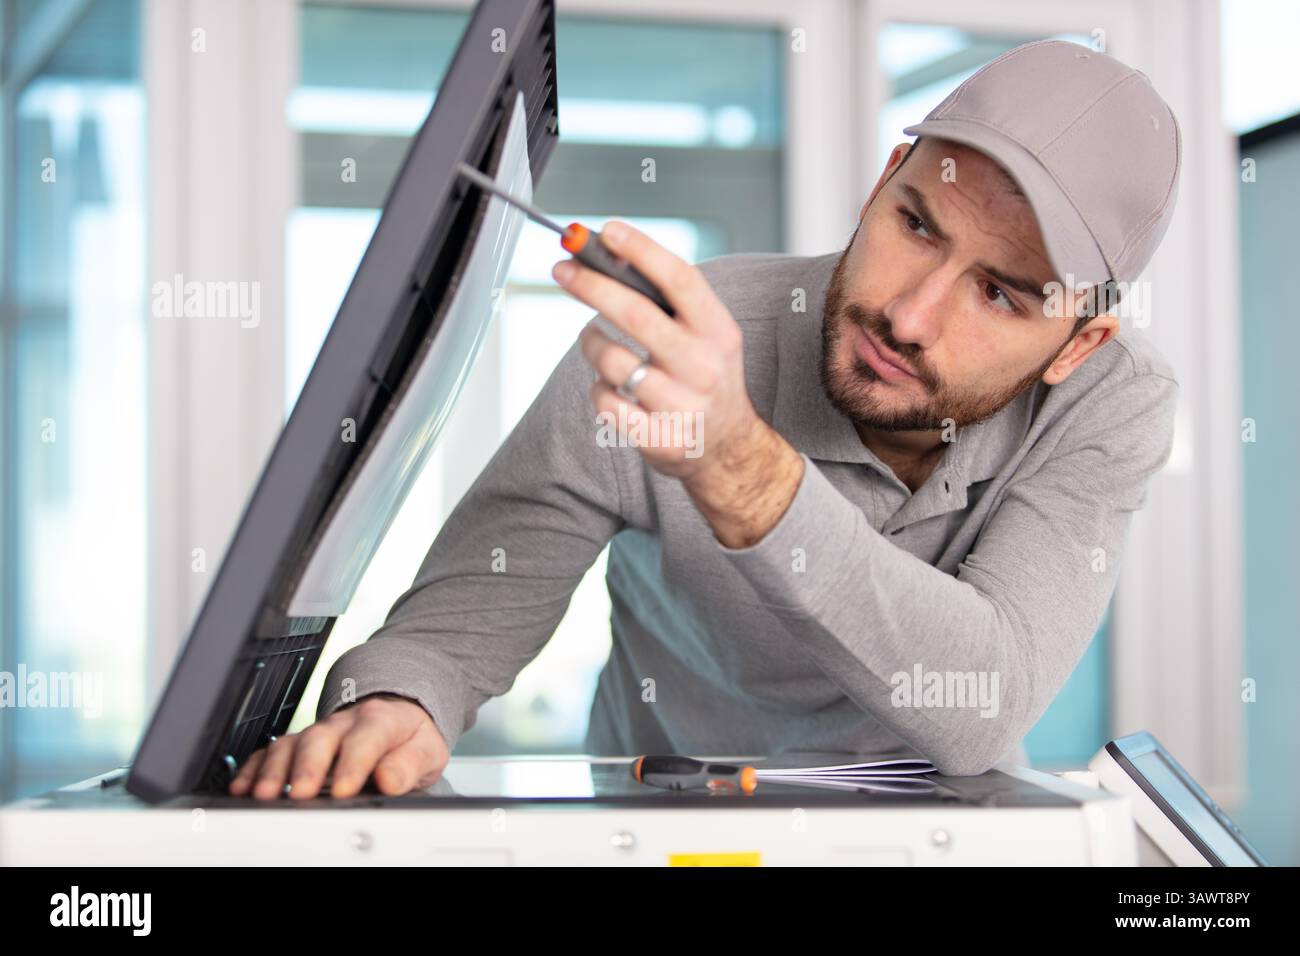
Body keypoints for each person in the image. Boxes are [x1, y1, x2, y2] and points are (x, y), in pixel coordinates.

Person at [231, 39, 1181, 800]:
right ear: (883, 180)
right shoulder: (679, 340)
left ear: (1078, 346)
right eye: (918, 223)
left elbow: (986, 700)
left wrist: (749, 478)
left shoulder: (1113, 401)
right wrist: (400, 699)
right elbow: (460, 621)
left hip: (928, 840)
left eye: (1001, 295)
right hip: (660, 820)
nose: (909, 316)